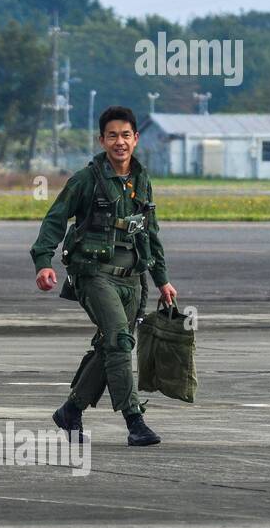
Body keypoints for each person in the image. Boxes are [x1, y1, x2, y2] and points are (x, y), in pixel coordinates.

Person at [30, 105, 177, 446]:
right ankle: (134, 421)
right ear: (102, 140)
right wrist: (43, 261)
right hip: (94, 275)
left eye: (126, 135)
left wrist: (162, 280)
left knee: (109, 345)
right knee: (120, 341)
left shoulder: (141, 181)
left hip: (132, 280)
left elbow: (150, 233)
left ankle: (71, 410)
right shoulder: (87, 179)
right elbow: (55, 218)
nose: (120, 142)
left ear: (136, 139)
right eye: (112, 136)